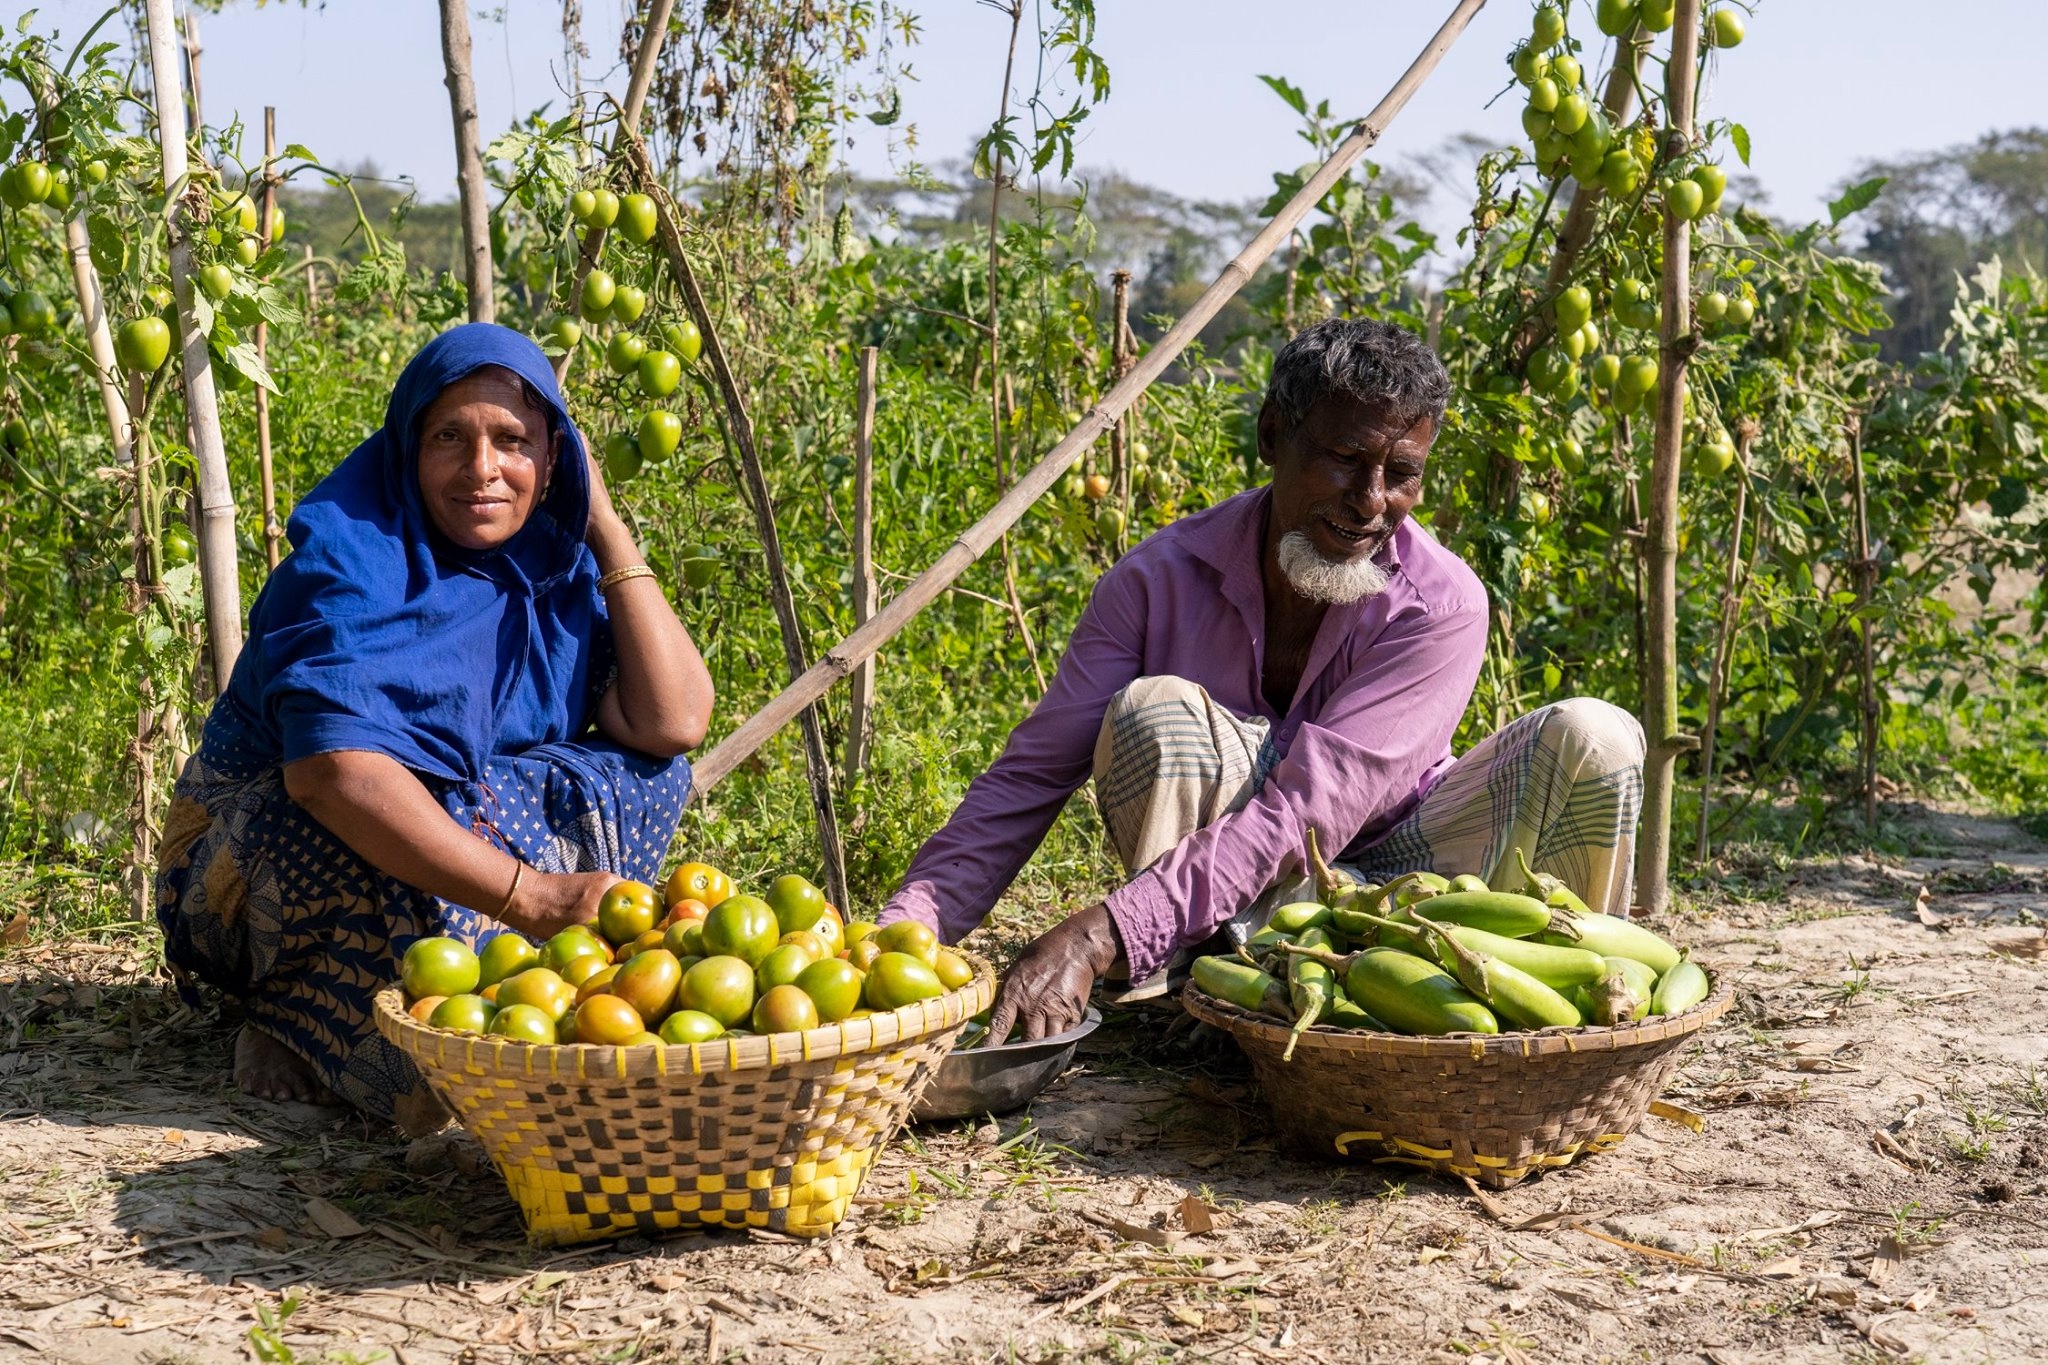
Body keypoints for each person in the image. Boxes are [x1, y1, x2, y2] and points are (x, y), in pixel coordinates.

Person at [877, 318, 1645, 1043]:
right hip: (1231, 895)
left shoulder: (1440, 602)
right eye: (1345, 459)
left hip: (1408, 880)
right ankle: (1216, 988)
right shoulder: (1155, 580)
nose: (1372, 501)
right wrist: (900, 938)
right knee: (1156, 713)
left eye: (1402, 474)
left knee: (1594, 737)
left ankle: (1558, 1022)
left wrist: (1101, 931)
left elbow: (1310, 813)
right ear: (1273, 437)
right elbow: (1031, 776)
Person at [156, 324, 715, 1134]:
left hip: (448, 827)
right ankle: (290, 1016)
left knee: (644, 768)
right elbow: (330, 774)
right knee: (346, 811)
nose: (482, 469)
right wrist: (534, 893)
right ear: (408, 449)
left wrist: (605, 525)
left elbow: (674, 720)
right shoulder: (351, 558)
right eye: (450, 437)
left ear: (552, 459)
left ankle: (497, 973)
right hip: (256, 855)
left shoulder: (550, 563)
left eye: (513, 441)